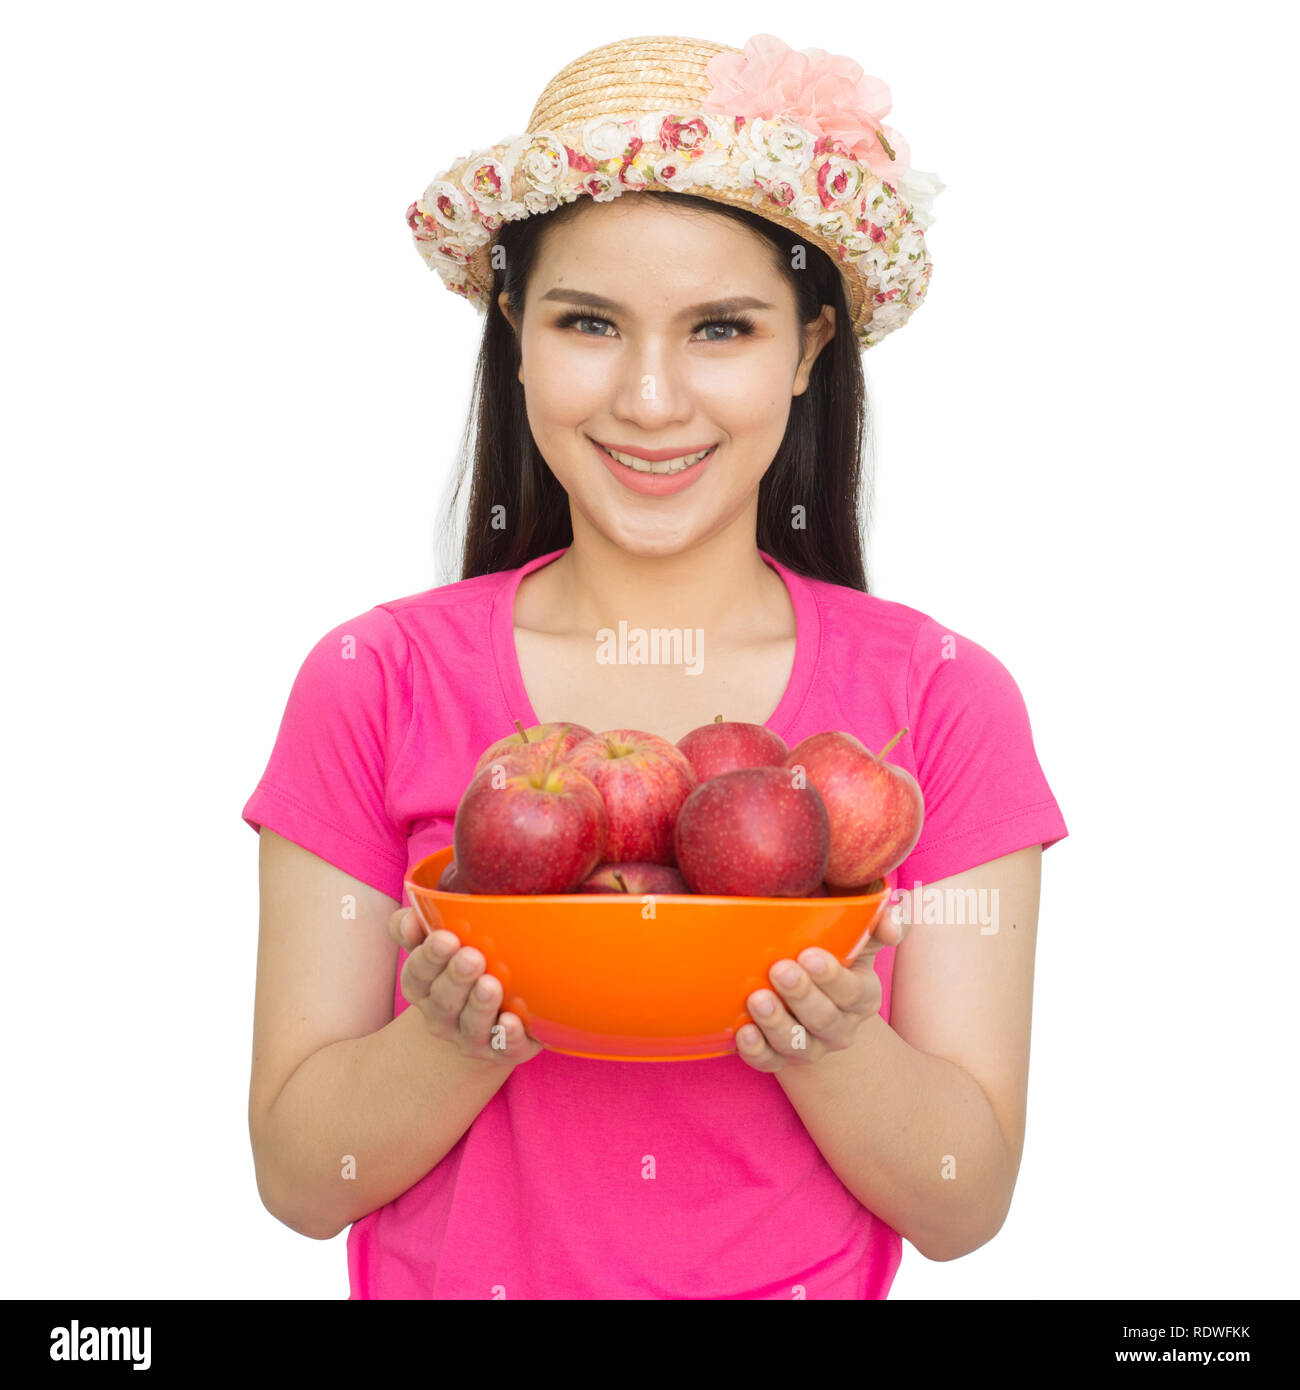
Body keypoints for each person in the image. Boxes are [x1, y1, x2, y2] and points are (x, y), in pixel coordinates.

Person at [243, 32, 1068, 1299]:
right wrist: (458, 1039)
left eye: (721, 329)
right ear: (513, 332)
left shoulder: (941, 703)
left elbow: (963, 1200)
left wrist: (828, 1042)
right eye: (588, 322)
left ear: (806, 351)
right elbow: (303, 1178)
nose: (647, 396)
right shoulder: (375, 678)